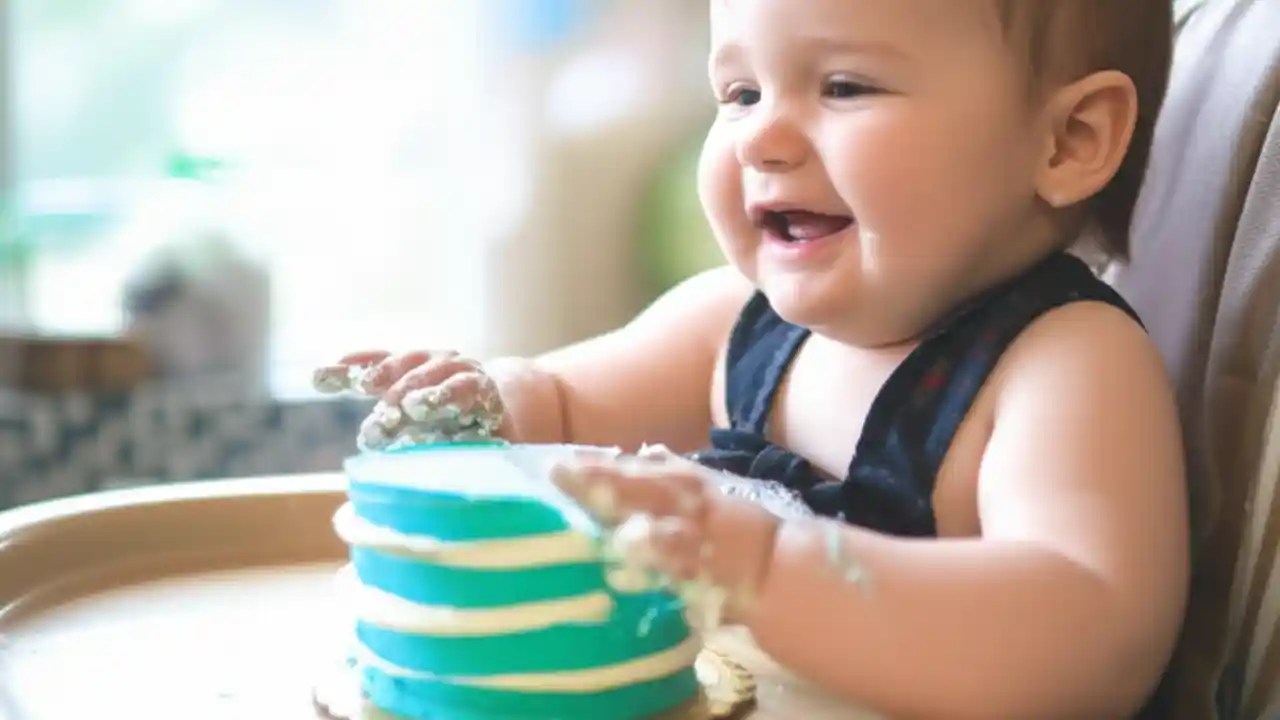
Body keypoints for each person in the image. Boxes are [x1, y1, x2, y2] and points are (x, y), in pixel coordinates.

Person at [320, 1, 1188, 716]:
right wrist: (480, 404)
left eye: (844, 86)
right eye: (738, 92)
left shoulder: (1064, 367)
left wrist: (772, 572)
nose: (759, 140)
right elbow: (564, 409)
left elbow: (1092, 640)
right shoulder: (733, 324)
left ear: (1068, 140)